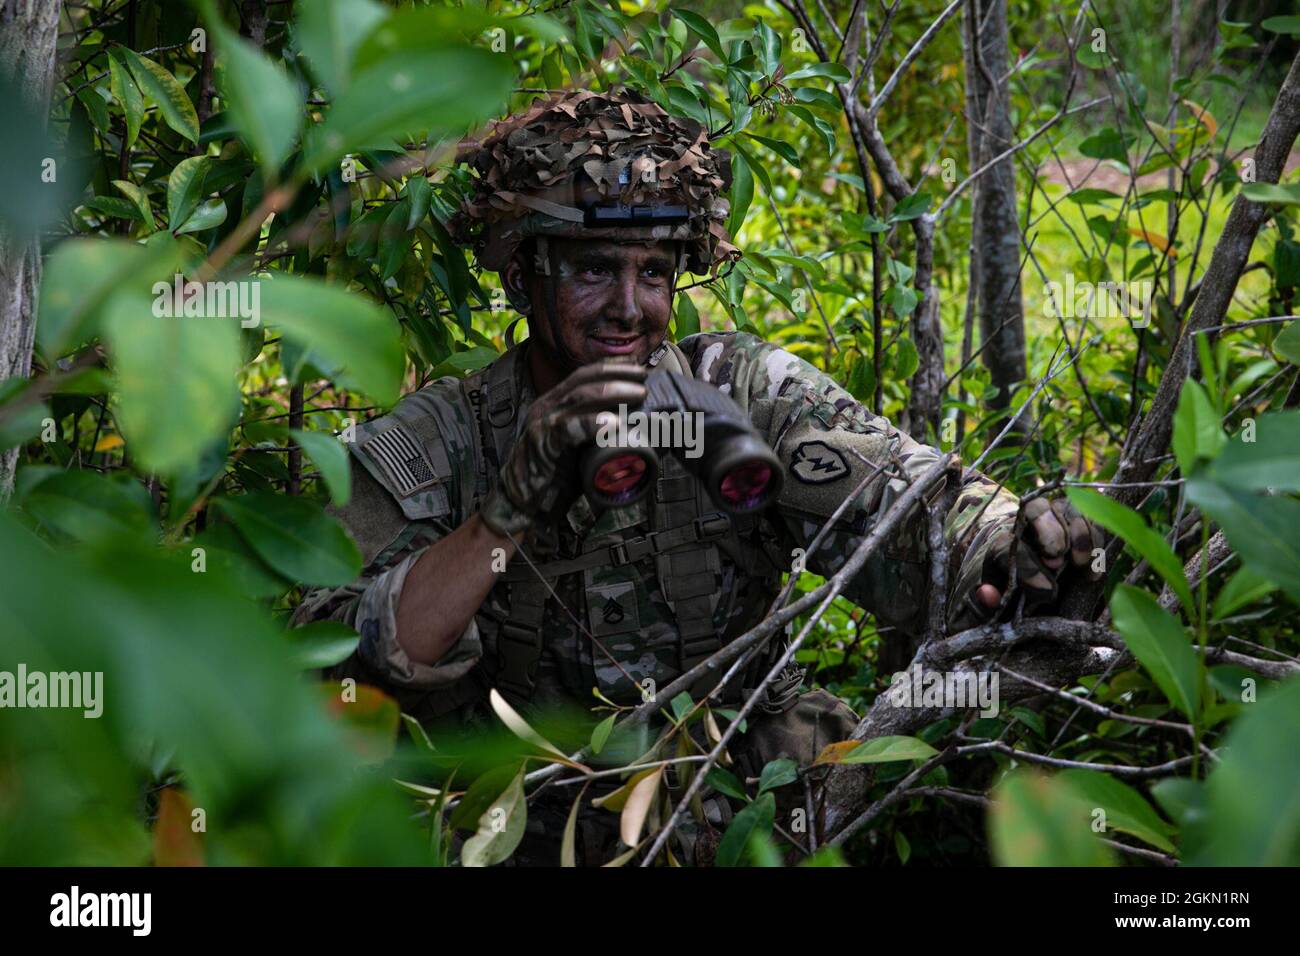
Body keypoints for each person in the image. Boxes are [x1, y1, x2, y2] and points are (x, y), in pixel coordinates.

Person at [292, 89, 1100, 865]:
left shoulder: (737, 393)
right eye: (592, 270)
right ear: (522, 277)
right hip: (526, 819)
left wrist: (1011, 546)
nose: (629, 308)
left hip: (753, 798)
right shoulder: (440, 443)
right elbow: (328, 674)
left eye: (653, 273)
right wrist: (504, 517)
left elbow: (906, 504)